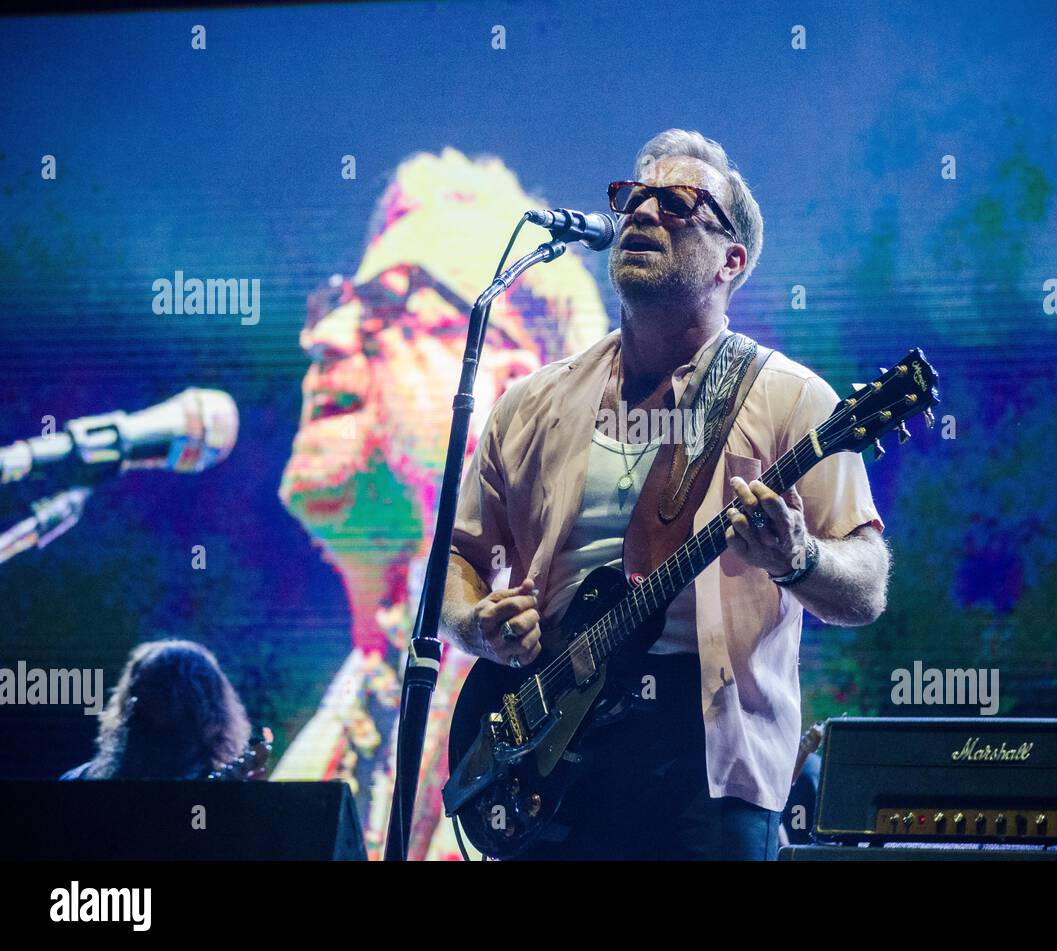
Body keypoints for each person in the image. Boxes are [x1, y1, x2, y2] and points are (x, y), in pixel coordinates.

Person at [443, 129, 890, 860]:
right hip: (546, 746)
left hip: (706, 768)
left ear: (731, 261)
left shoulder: (791, 399)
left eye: (678, 204)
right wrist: (477, 626)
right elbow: (456, 563)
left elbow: (866, 586)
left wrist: (799, 556)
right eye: (633, 197)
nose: (643, 213)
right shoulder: (530, 403)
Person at [272, 147, 609, 859]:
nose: (322, 336)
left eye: (389, 304)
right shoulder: (349, 705)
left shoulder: (572, 673)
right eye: (339, 303)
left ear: (514, 383)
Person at [61, 640, 251, 781]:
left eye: (159, 691)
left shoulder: (230, 792)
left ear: (195, 706)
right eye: (135, 691)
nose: (138, 704)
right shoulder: (78, 781)